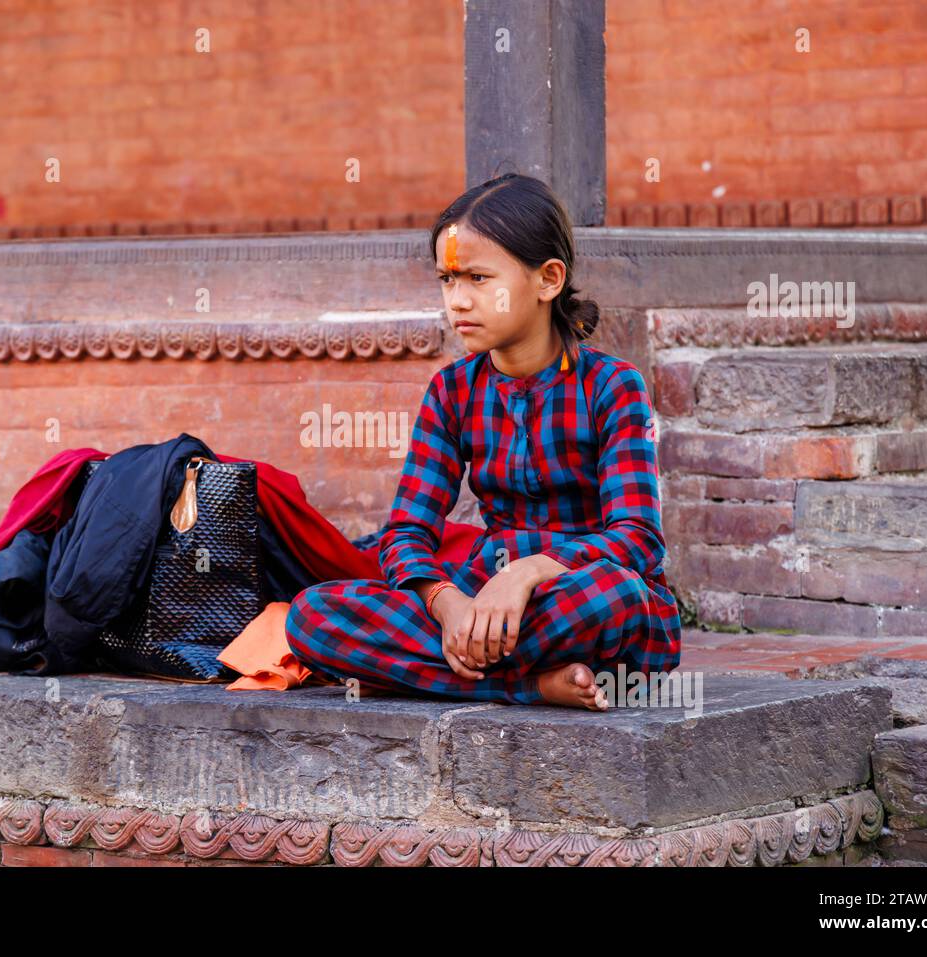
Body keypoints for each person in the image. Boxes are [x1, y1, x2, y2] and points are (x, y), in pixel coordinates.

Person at [284, 172, 682, 709]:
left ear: (548, 279)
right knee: (311, 616)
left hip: (577, 595)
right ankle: (533, 684)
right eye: (447, 280)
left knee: (618, 597)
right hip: (481, 597)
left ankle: (463, 668)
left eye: (477, 278)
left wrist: (527, 574)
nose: (458, 301)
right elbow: (405, 533)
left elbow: (637, 539)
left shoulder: (611, 386)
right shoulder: (452, 391)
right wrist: (447, 603)